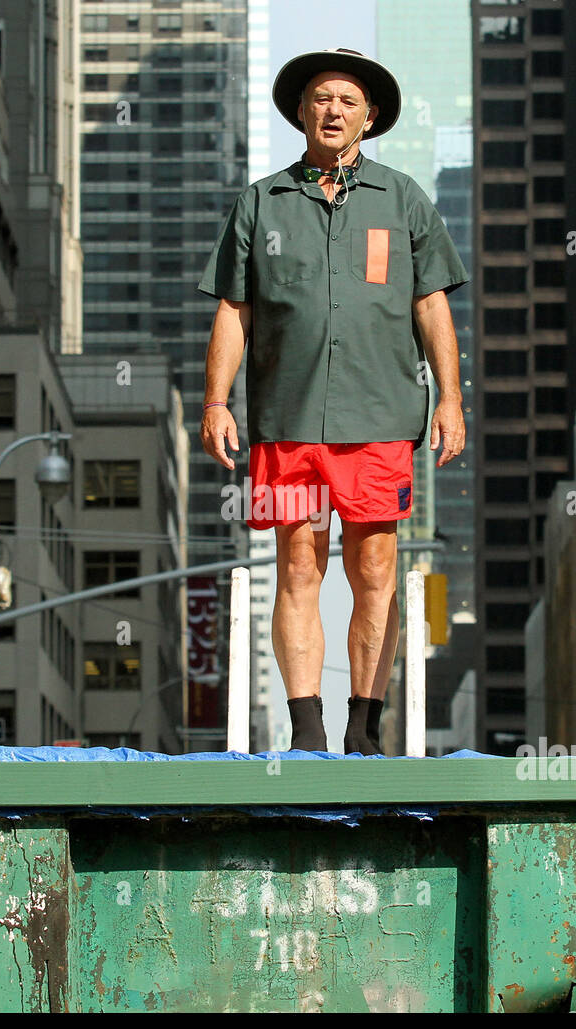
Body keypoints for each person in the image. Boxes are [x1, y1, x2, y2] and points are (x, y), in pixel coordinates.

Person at [198, 48, 468, 755]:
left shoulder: (402, 198)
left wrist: (450, 400)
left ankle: (364, 724)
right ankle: (308, 727)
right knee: (298, 564)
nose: (333, 110)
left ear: (369, 117)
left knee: (374, 567)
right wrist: (216, 401)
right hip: (288, 422)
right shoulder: (261, 200)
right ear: (301, 111)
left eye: (347, 100)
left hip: (379, 419)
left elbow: (431, 305)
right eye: (321, 98)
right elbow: (234, 308)